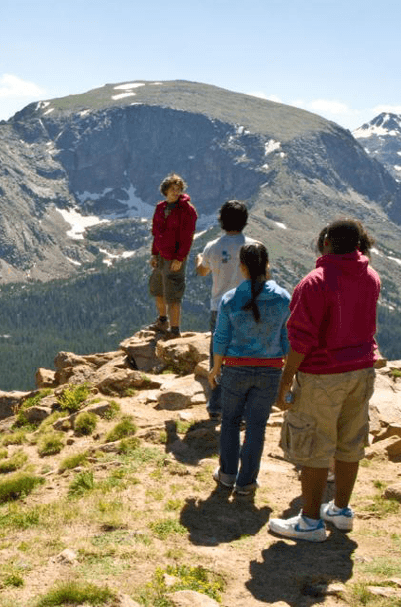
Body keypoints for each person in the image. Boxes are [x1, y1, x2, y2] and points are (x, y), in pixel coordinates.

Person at [269, 219, 380, 542]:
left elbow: (301, 340)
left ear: (327, 242)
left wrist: (285, 380)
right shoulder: (371, 276)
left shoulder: (315, 282)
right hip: (362, 371)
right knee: (350, 442)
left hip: (322, 376)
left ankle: (309, 521)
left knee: (315, 446)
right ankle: (341, 510)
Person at [208, 243, 291, 495]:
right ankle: (246, 482)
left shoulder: (230, 298)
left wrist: (215, 367)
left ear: (241, 267)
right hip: (270, 370)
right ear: (267, 265)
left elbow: (221, 336)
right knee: (257, 425)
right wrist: (288, 368)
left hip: (235, 369)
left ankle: (227, 474)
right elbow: (286, 336)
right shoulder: (283, 298)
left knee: (231, 421)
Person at [196, 200, 259, 419]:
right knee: (245, 353)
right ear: (245, 221)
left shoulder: (212, 246)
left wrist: (198, 260)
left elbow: (202, 271)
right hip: (248, 307)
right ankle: (241, 408)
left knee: (218, 354)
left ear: (221, 220)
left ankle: (216, 404)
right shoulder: (254, 246)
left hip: (219, 307)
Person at [148, 172, 198, 338]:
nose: (176, 192)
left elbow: (187, 237)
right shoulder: (160, 208)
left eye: (178, 189)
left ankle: (175, 330)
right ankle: (162, 321)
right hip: (161, 255)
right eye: (172, 189)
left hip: (175, 258)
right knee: (158, 290)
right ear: (165, 191)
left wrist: (180, 258)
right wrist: (154, 254)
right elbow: (157, 233)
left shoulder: (187, 210)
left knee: (174, 294)